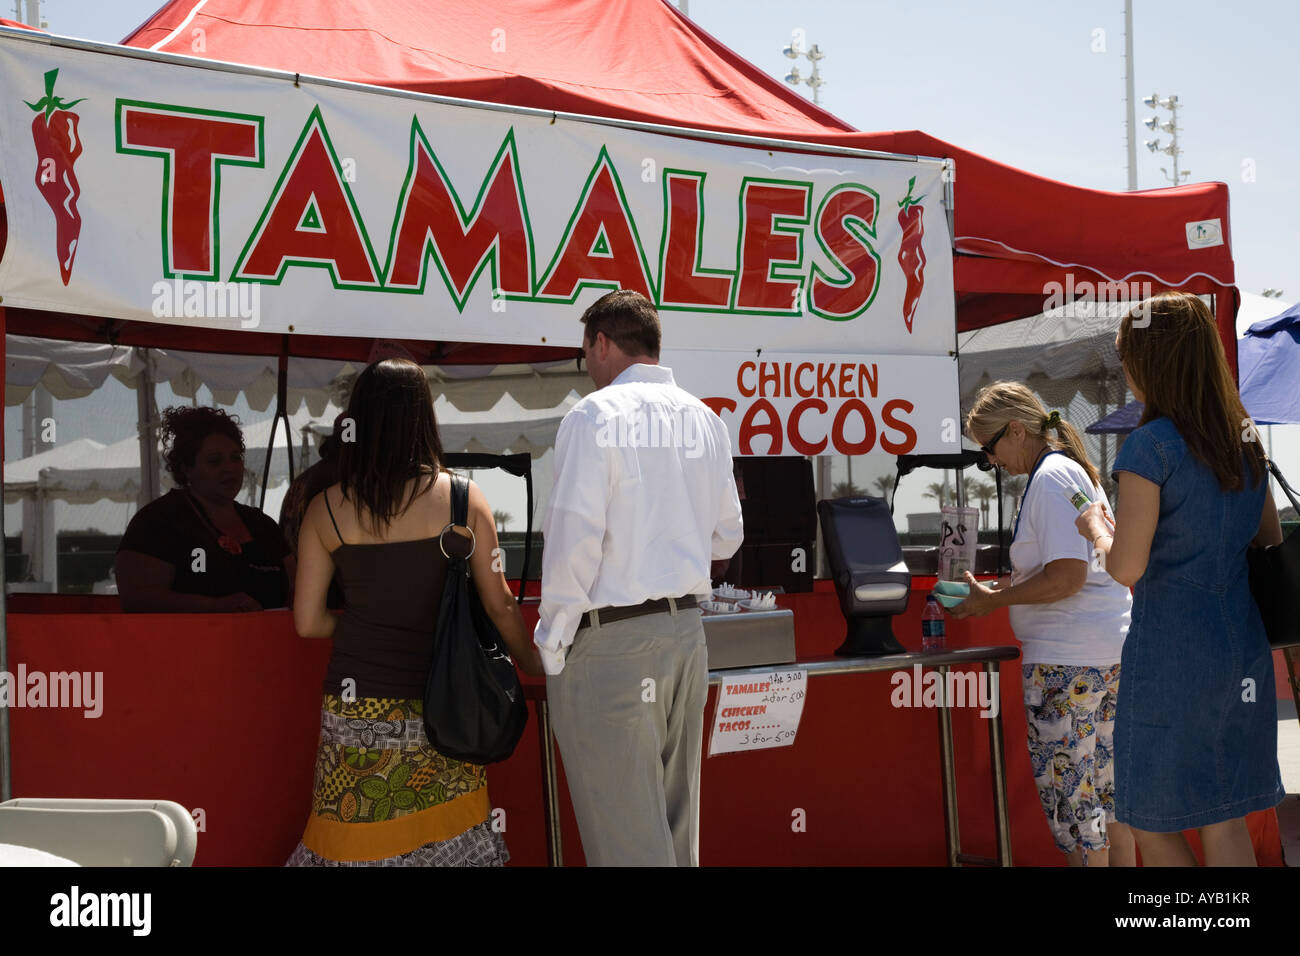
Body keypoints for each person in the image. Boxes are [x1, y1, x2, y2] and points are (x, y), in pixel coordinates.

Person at [288, 358, 541, 867]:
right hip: (447, 705)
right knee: (447, 844)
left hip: (356, 707)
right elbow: (501, 605)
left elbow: (308, 622)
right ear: (424, 418)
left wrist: (362, 623)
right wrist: (536, 667)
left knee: (353, 841)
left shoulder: (326, 508)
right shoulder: (465, 501)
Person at [534, 290, 743, 866]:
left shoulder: (592, 416)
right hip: (684, 638)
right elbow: (728, 536)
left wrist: (552, 643)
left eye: (585, 354)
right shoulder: (706, 419)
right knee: (674, 831)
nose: (588, 368)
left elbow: (573, 540)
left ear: (601, 343)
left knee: (627, 839)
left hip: (612, 642)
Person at [1075, 292, 1285, 866]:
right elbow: (1269, 540)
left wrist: (1097, 527)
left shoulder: (1149, 445)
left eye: (1126, 357)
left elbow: (1126, 567)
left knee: (1149, 819)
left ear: (1149, 361)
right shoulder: (1242, 441)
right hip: (1239, 646)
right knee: (1225, 816)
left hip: (1171, 651)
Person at [952, 382, 1135, 867]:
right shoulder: (1065, 472)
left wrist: (993, 600)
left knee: (1078, 810)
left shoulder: (1052, 476)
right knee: (1110, 802)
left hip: (1067, 661)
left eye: (989, 449)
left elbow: (1067, 576)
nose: (992, 462)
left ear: (1016, 430)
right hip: (1103, 653)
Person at [116, 405, 291, 612]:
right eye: (214, 461)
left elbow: (298, 587)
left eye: (236, 458)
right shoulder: (158, 521)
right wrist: (213, 606)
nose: (230, 468)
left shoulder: (262, 524)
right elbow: (137, 599)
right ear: (186, 469)